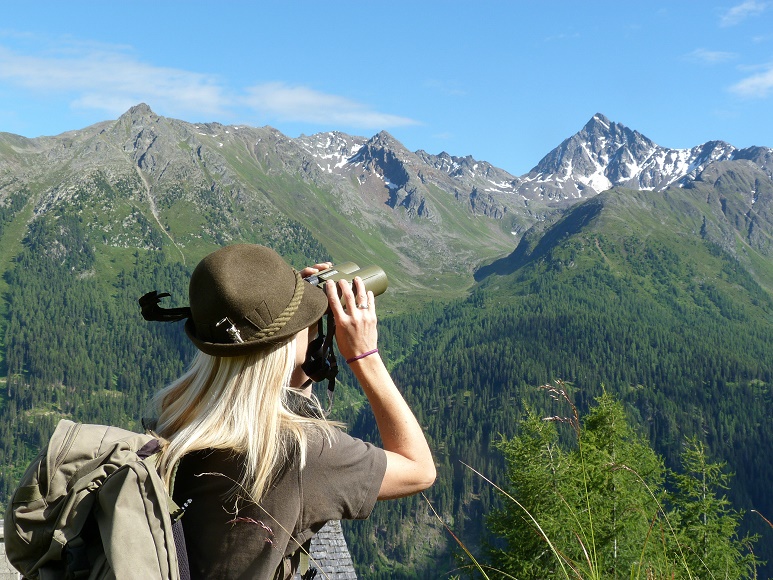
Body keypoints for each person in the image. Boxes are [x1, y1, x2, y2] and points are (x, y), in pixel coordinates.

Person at [142, 244, 435, 579]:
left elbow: (264, 393)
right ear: (283, 348)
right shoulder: (300, 454)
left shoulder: (171, 419)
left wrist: (290, 319)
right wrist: (364, 355)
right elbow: (419, 470)